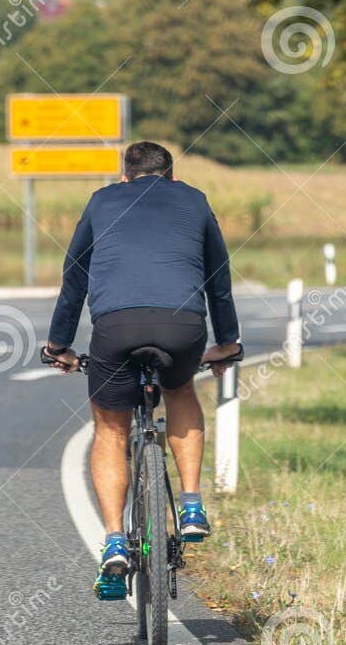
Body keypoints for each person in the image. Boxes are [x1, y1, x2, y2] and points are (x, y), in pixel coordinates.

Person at [42, 141, 242, 600]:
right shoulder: (194, 200)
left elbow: (74, 276)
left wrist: (60, 345)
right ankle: (191, 506)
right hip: (182, 327)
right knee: (181, 392)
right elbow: (219, 276)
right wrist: (226, 343)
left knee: (110, 429)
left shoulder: (101, 201)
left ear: (125, 177)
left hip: (116, 327)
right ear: (171, 176)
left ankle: (114, 538)